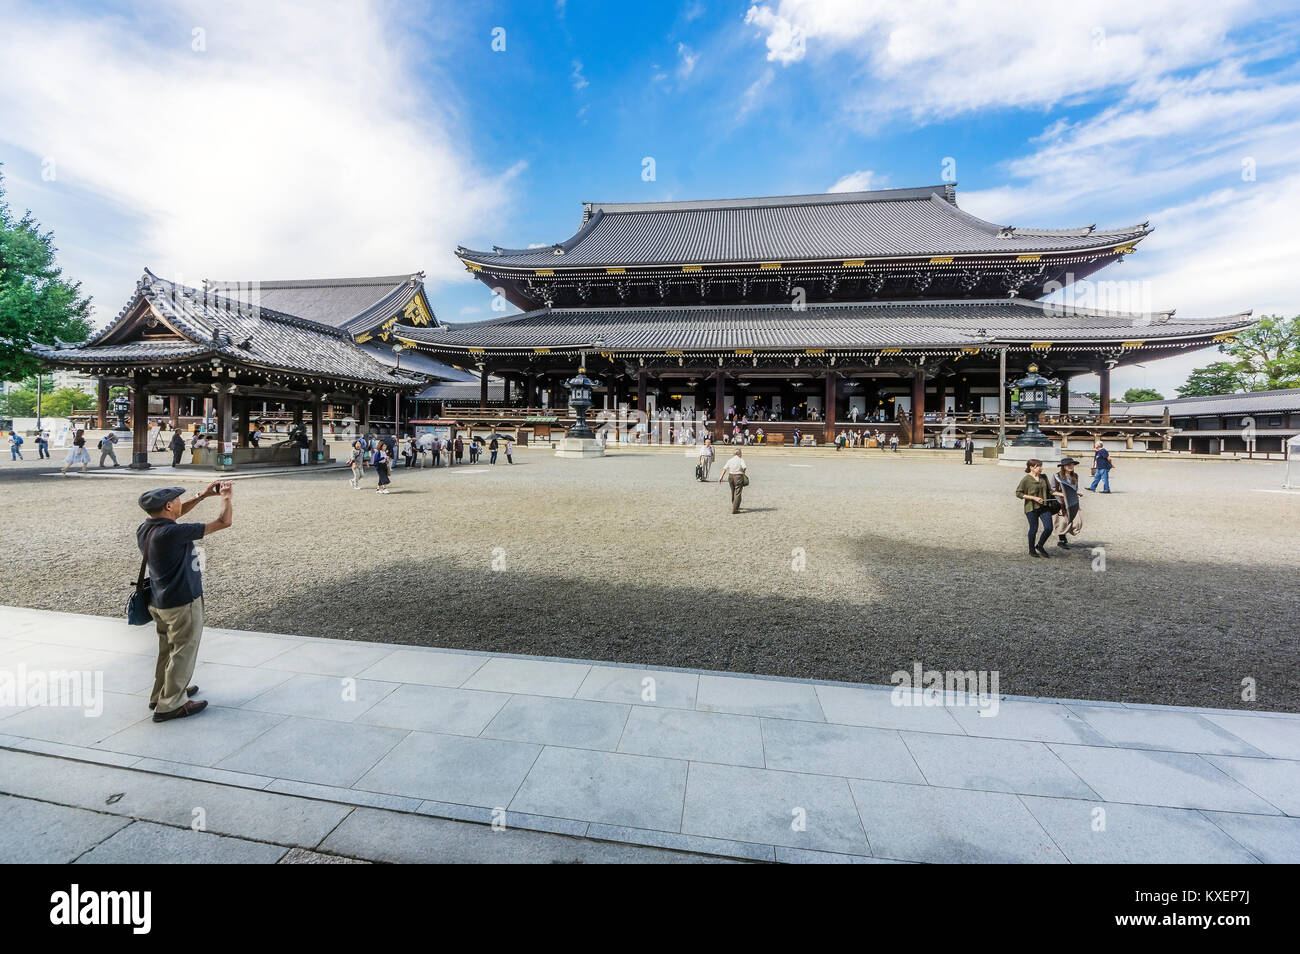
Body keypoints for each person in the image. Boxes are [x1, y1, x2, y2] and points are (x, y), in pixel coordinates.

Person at [136, 481, 233, 722]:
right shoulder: (173, 533)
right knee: (183, 651)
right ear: (168, 506)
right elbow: (224, 522)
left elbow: (176, 515)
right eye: (177, 500)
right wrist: (226, 498)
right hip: (181, 602)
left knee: (167, 650)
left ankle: (163, 692)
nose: (181, 502)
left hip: (160, 601)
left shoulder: (147, 528)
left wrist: (201, 496)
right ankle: (171, 705)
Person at [1015, 458, 1056, 558]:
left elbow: (1051, 491)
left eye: (1041, 466)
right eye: (1039, 466)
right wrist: (1033, 497)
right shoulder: (1026, 479)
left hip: (1044, 507)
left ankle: (1040, 546)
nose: (1041, 468)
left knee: (1049, 528)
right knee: (1033, 529)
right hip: (1031, 508)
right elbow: (1018, 493)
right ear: (1031, 468)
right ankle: (1031, 549)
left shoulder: (1044, 477)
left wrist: (1065, 494)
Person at [1053, 456, 1082, 549]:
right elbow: (1052, 490)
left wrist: (1077, 493)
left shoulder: (1075, 476)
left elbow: (1075, 488)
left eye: (1072, 464)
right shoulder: (1057, 476)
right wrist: (1061, 496)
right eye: (1068, 465)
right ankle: (1062, 539)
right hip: (1061, 502)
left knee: (1077, 522)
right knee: (1063, 522)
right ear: (1064, 466)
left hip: (1073, 501)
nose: (1071, 466)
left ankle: (1065, 535)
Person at [718, 447, 748, 514]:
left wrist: (721, 477)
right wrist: (743, 473)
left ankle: (734, 504)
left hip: (730, 476)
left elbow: (724, 469)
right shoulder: (741, 460)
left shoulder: (730, 460)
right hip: (738, 476)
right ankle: (735, 509)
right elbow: (744, 467)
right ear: (739, 454)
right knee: (738, 493)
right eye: (741, 453)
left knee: (733, 491)